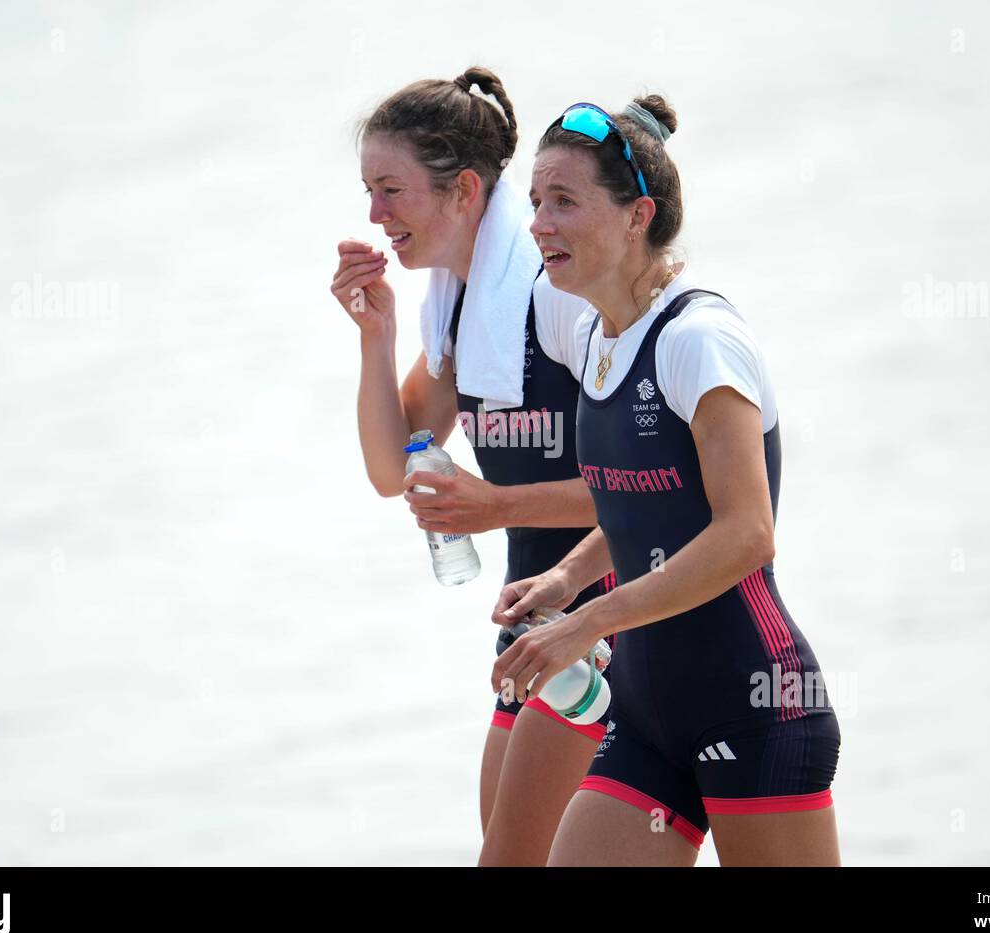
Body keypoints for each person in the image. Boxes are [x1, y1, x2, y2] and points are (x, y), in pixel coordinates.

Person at [491, 96, 842, 866]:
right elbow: (642, 506)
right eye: (536, 203)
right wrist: (564, 578)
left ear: (635, 215)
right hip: (648, 719)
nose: (540, 224)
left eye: (564, 203)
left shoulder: (699, 341)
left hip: (756, 706)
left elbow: (746, 533)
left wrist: (588, 622)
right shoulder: (594, 337)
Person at [329, 68, 614, 865]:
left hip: (608, 618)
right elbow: (392, 470)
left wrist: (495, 506)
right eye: (368, 192)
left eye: (391, 190)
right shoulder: (457, 307)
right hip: (529, 633)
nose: (374, 215)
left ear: (461, 191)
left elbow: (649, 487)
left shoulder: (553, 294)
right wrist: (374, 337)